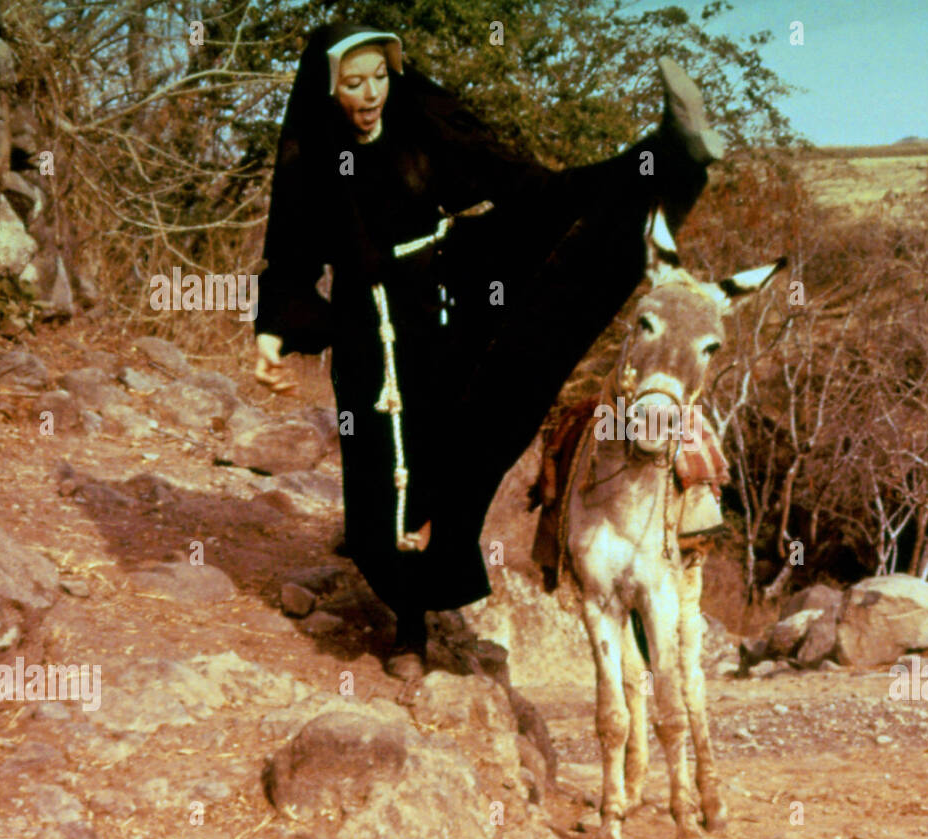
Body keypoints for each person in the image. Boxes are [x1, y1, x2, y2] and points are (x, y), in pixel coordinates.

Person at [252, 23, 724, 682]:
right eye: (353, 83)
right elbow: (292, 248)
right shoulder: (317, 158)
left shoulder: (419, 129)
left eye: (379, 78)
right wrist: (271, 331)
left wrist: (556, 207)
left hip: (444, 300)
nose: (370, 94)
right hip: (367, 330)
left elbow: (520, 185)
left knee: (468, 425)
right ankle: (406, 622)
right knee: (382, 475)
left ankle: (673, 157)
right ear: (329, 87)